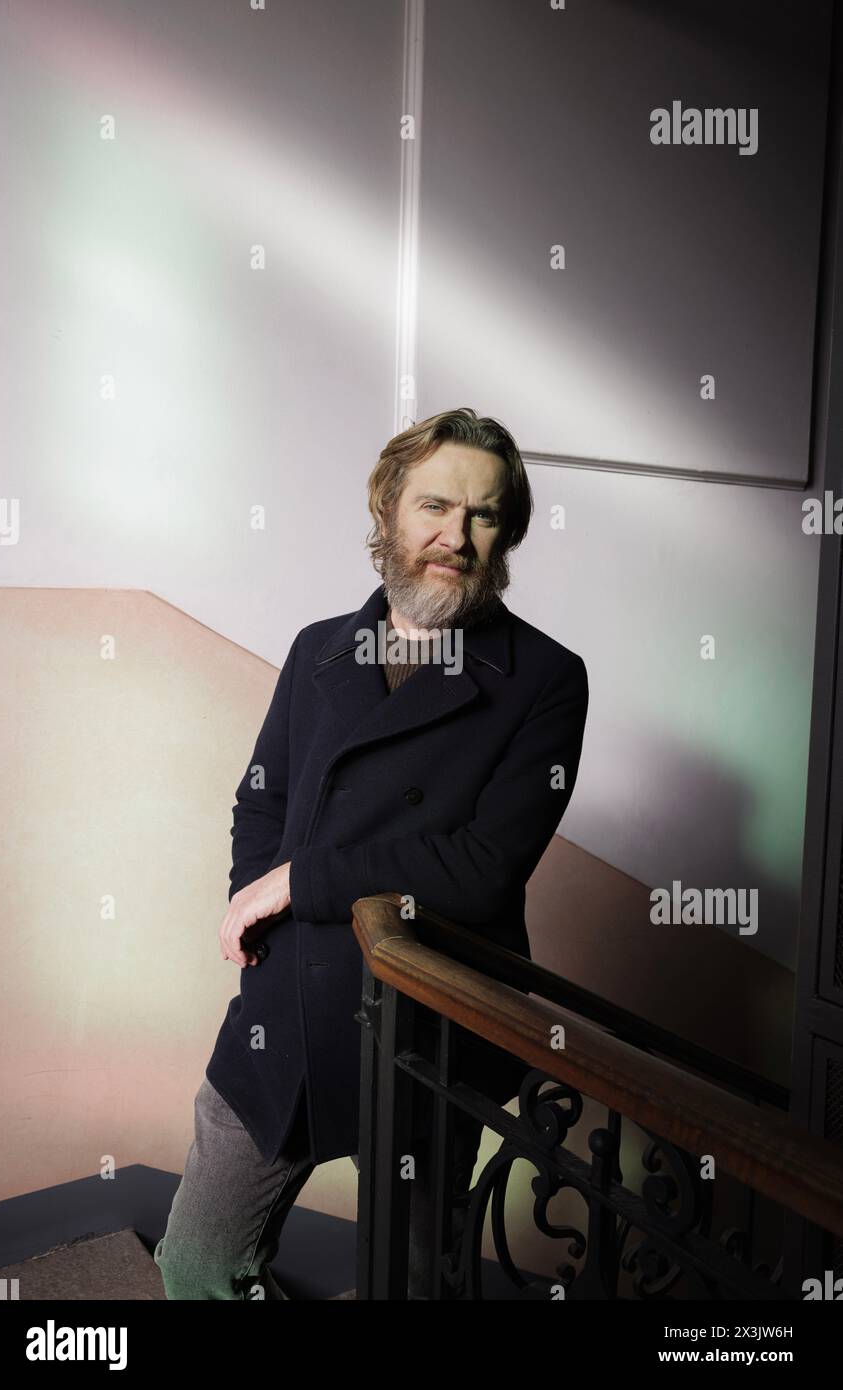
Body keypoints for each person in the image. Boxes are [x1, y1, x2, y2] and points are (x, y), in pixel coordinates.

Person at [154, 407, 590, 1299]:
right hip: (289, 1002)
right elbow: (260, 802)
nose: (454, 537)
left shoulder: (544, 678)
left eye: (483, 515)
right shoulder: (318, 649)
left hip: (432, 1023)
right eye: (434, 506)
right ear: (388, 508)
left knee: (411, 1283)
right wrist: (260, 910)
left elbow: (481, 867)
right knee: (197, 1267)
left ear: (505, 533)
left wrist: (298, 882)